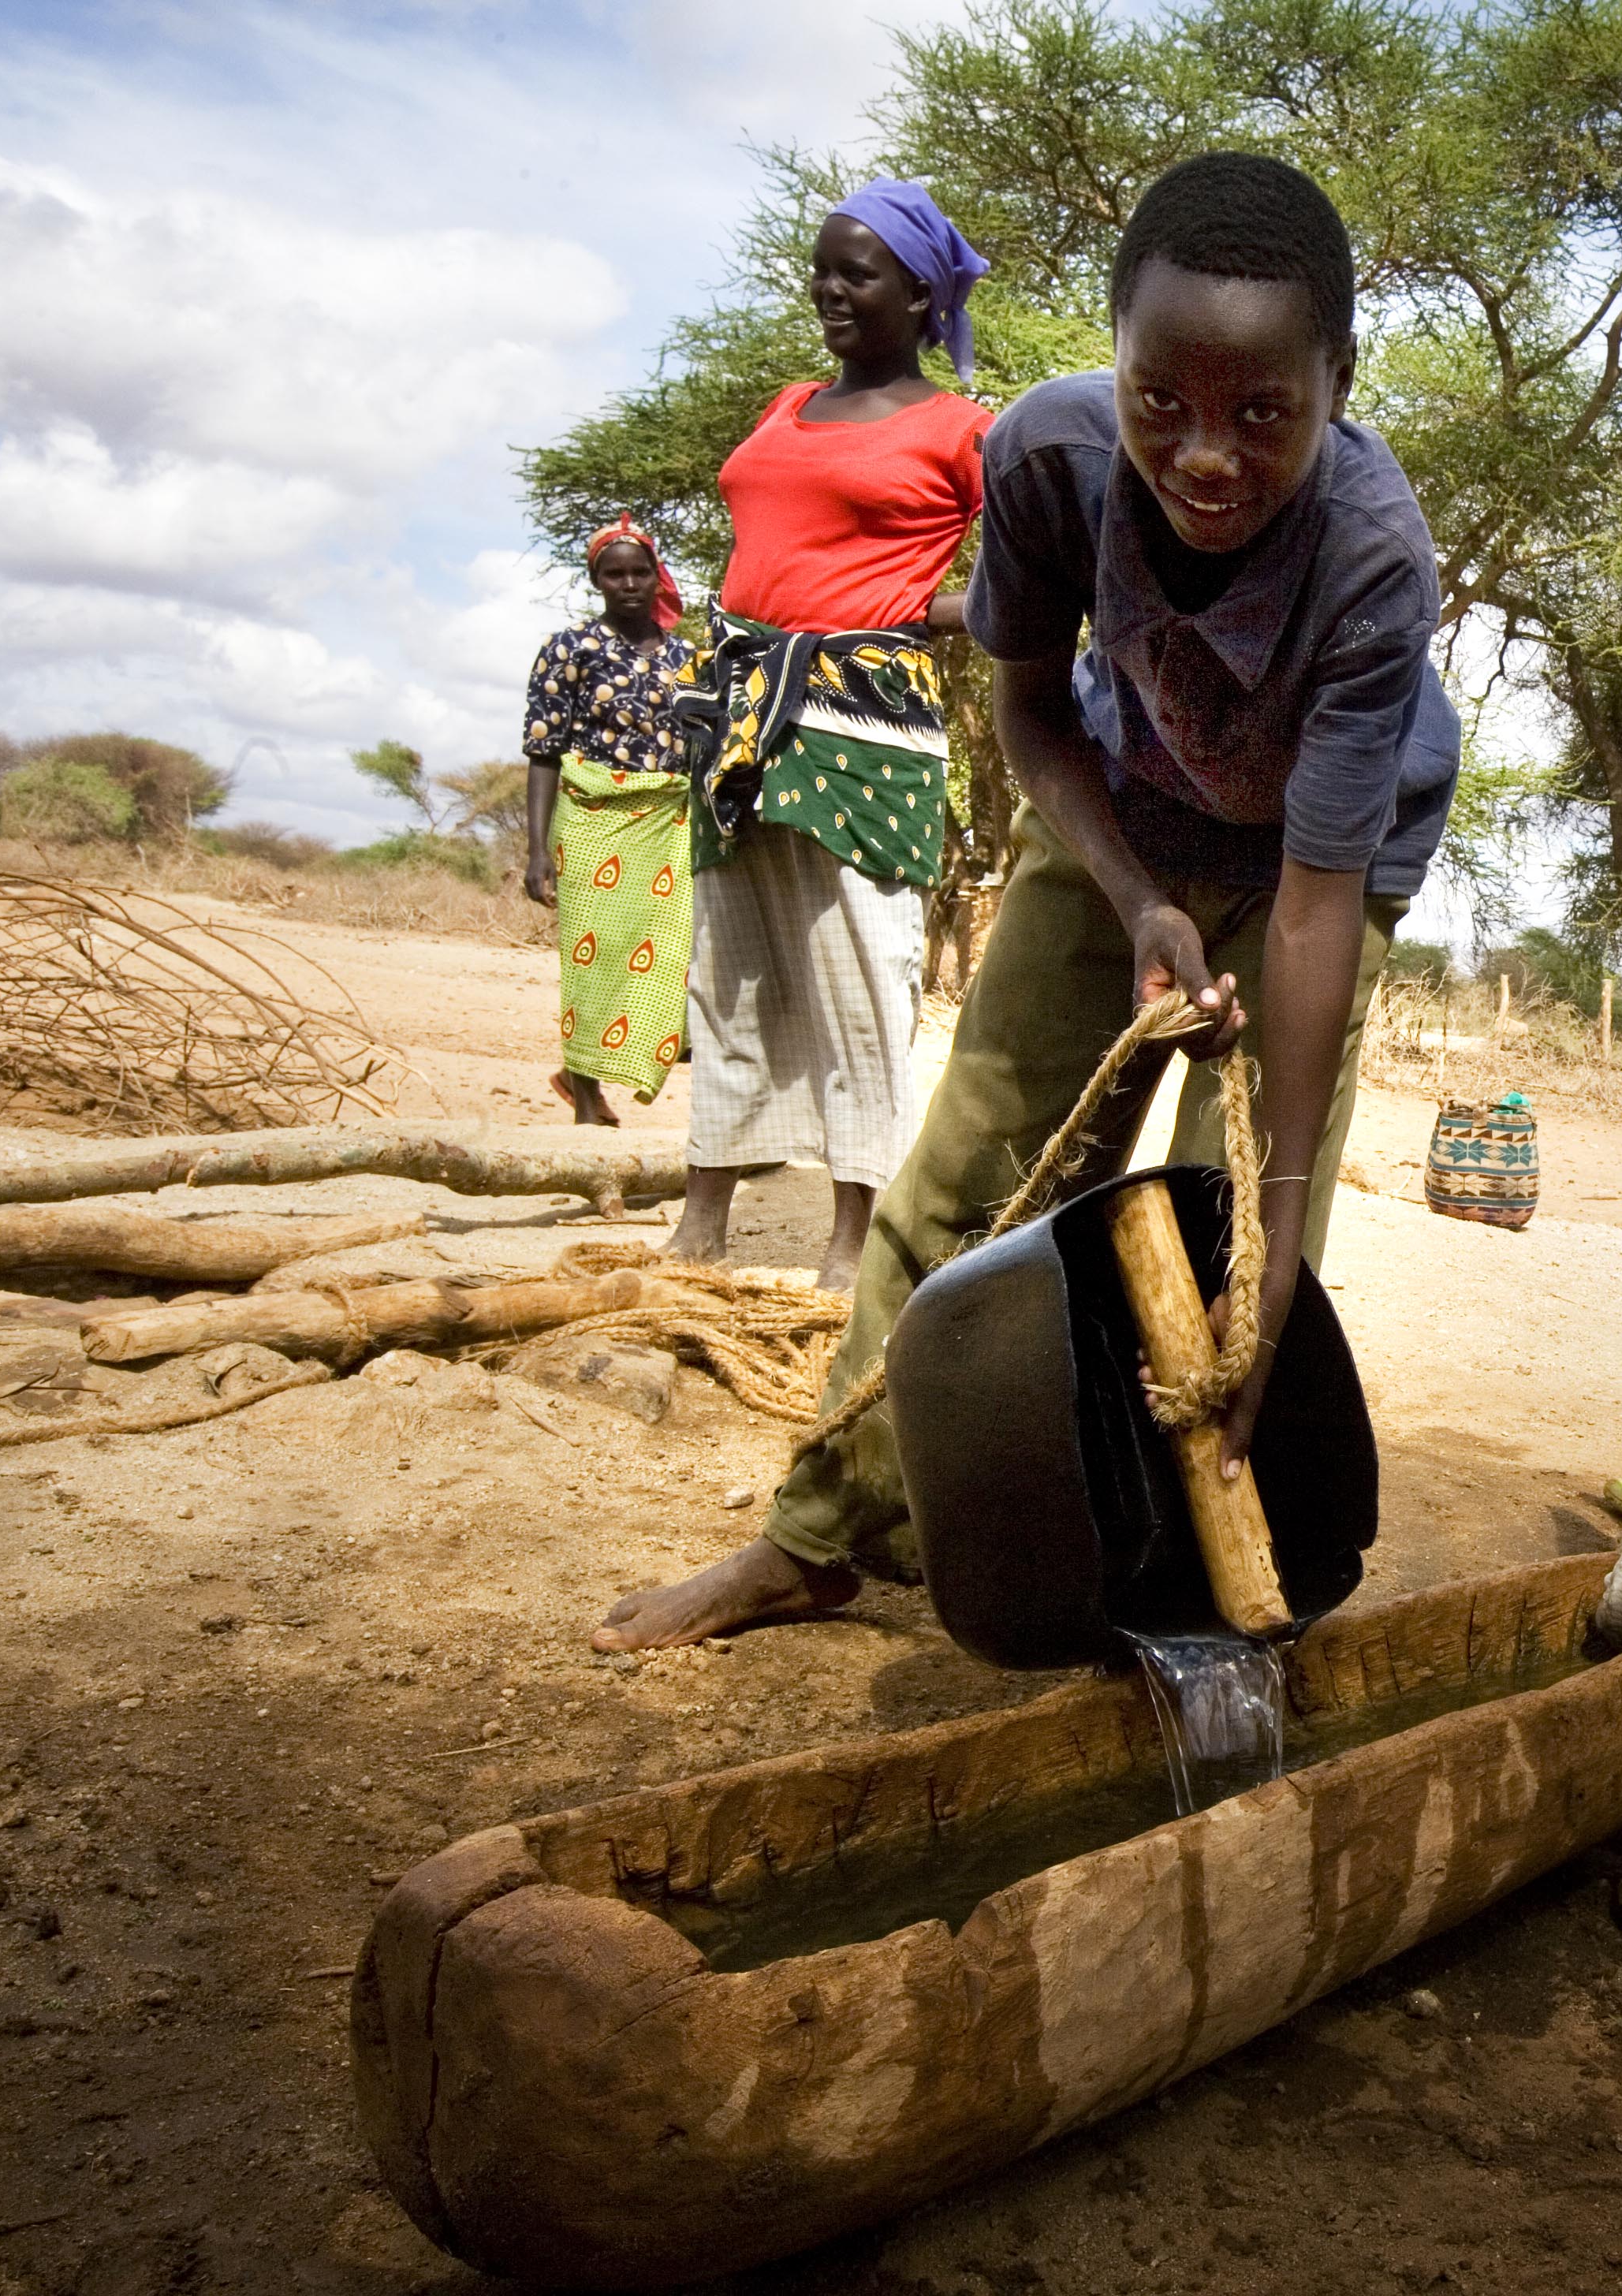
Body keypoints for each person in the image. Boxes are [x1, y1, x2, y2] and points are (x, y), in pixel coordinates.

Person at [598, 151, 1455, 1651]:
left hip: (1316, 868)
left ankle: (1192, 1594)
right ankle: (818, 1533)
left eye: (1265, 415)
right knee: (968, 1179)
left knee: (1228, 1229)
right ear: (1112, 366)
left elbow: (1317, 905)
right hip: (1116, 812)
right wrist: (1130, 901)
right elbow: (1030, 712)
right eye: (1160, 402)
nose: (1205, 456)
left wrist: (1282, 1228)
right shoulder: (1049, 458)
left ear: (1338, 383)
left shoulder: (1371, 558)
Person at [664, 178, 995, 1291]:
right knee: (734, 959)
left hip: (864, 720)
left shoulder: (964, 430)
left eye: (856, 272)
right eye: (822, 267)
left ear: (918, 294)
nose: (830, 289)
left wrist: (919, 612)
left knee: (863, 963)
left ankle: (853, 1237)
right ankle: (705, 1199)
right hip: (744, 708)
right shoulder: (786, 404)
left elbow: (1045, 570)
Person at [521, 521, 698, 1123]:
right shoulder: (569, 649)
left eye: (639, 572)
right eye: (614, 573)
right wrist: (536, 851)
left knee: (669, 952)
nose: (628, 583)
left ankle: (637, 1062)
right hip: (592, 820)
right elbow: (543, 752)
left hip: (670, 823)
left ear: (657, 576)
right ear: (596, 580)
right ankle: (586, 1089)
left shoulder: (688, 657)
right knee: (592, 954)